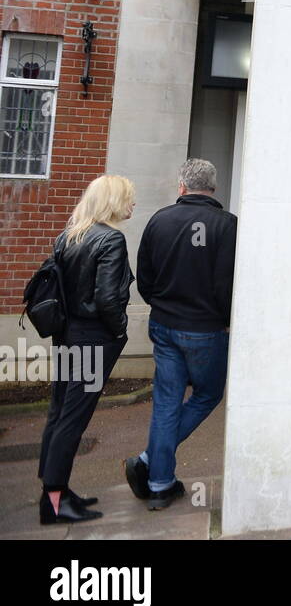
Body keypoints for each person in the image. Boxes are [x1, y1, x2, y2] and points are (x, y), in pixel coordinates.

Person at [125, 159, 237, 511]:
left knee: (166, 401)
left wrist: (161, 304)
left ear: (182, 187)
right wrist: (224, 318)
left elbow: (144, 275)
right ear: (213, 189)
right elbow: (226, 283)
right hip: (205, 329)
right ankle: (152, 468)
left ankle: (157, 476)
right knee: (207, 395)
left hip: (165, 323)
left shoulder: (160, 220)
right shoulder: (227, 225)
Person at [38, 176, 134, 525]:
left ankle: (54, 493)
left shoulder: (69, 235)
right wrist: (120, 331)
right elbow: (108, 298)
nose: (132, 205)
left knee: (60, 412)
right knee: (72, 419)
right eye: (128, 198)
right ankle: (54, 500)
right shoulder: (111, 238)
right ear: (113, 201)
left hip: (66, 335)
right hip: (92, 339)